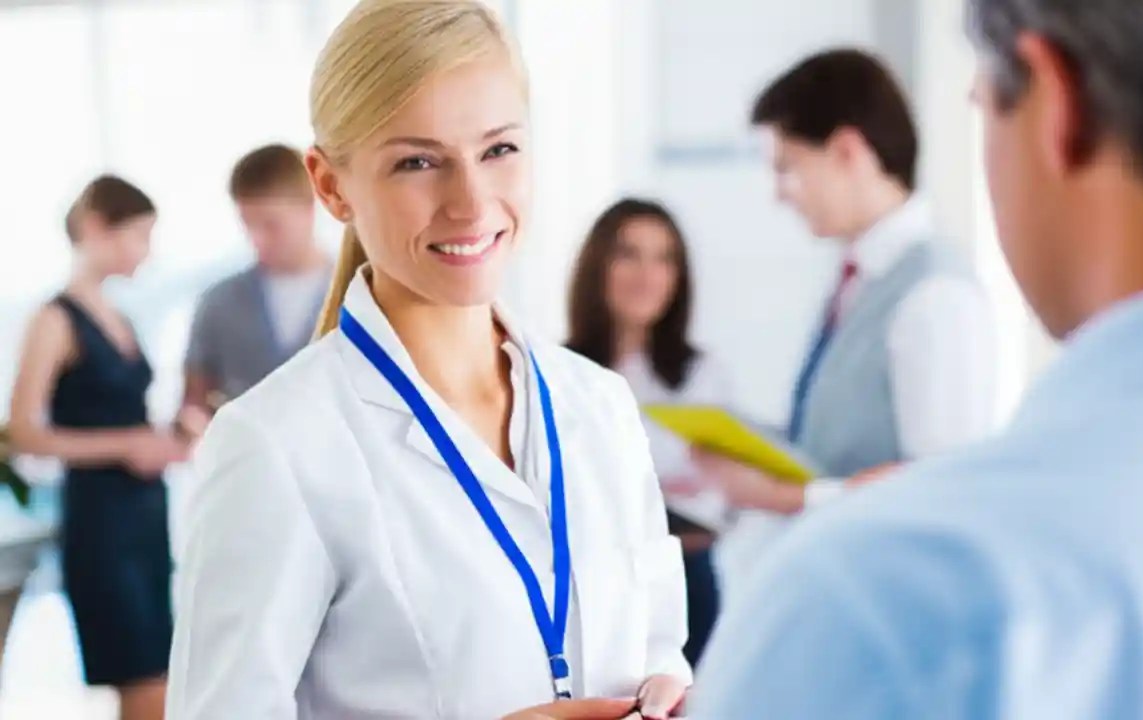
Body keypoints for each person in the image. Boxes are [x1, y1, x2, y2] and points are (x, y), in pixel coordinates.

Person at [692, 0, 1143, 716]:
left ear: (1060, 106)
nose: (780, 193)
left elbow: (938, 461)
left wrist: (796, 501)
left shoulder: (882, 606)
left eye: (983, 108)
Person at [166, 2, 690, 719]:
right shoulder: (275, 445)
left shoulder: (599, 404)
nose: (470, 203)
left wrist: (668, 692)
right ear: (331, 186)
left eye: (499, 150)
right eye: (417, 162)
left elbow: (660, 651)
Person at [696, 48, 998, 593]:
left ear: (846, 151)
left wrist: (786, 497)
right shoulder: (858, 278)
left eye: (787, 168)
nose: (779, 194)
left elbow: (943, 484)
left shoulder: (935, 293)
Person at [6, 175, 188, 720]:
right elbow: (23, 433)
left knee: (162, 679)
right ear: (94, 228)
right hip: (101, 522)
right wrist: (125, 445)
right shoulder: (54, 319)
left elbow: (123, 415)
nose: (146, 252)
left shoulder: (120, 315)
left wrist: (168, 434)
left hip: (145, 515)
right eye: (138, 236)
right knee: (143, 682)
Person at [566, 198, 732, 668]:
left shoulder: (701, 374)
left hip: (685, 576)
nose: (647, 275)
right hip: (592, 583)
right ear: (598, 266)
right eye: (629, 255)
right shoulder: (559, 373)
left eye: (664, 259)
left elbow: (721, 491)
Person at [180, 143, 332, 426]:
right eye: (248, 224)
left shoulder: (362, 294)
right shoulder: (218, 303)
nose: (257, 239)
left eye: (271, 225)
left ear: (311, 206)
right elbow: (193, 402)